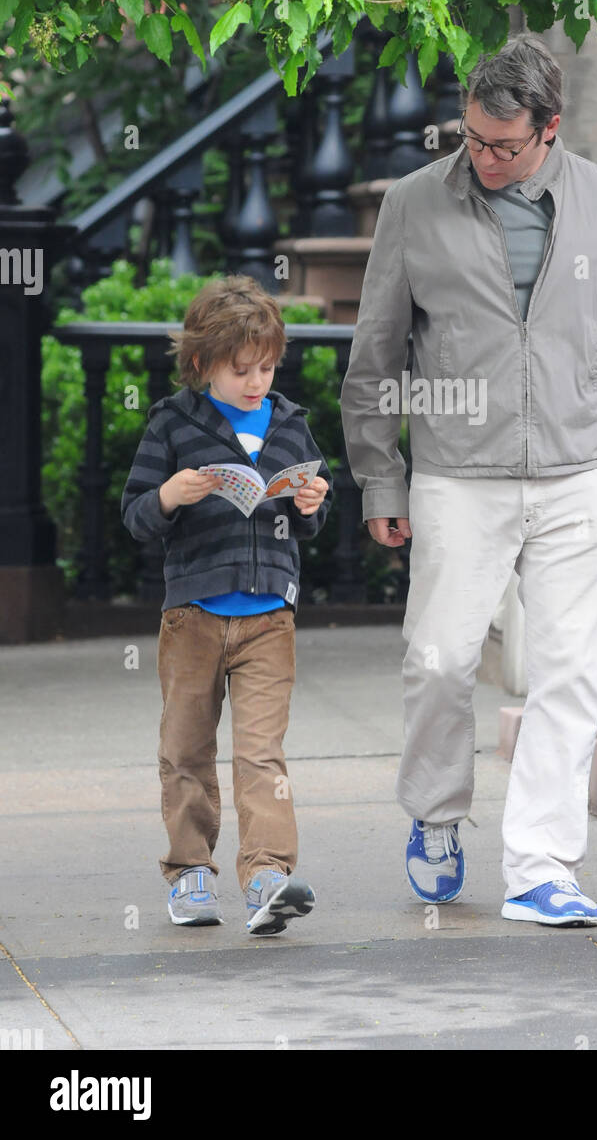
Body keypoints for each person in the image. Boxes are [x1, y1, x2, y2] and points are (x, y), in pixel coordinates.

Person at [340, 34, 597, 927]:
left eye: (503, 145)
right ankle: (437, 813)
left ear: (550, 130)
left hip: (582, 476)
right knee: (438, 660)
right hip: (460, 474)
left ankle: (540, 865)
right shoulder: (415, 205)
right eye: (472, 139)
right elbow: (375, 357)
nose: (484, 159)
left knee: (570, 676)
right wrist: (381, 481)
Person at [121, 275, 332, 935]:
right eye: (241, 369)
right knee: (185, 746)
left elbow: (313, 526)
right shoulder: (172, 423)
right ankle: (190, 873)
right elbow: (133, 518)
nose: (256, 381)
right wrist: (169, 497)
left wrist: (310, 505)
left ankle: (267, 874)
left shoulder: (291, 425)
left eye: (266, 366)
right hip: (193, 615)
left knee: (261, 752)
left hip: (271, 612)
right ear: (201, 364)